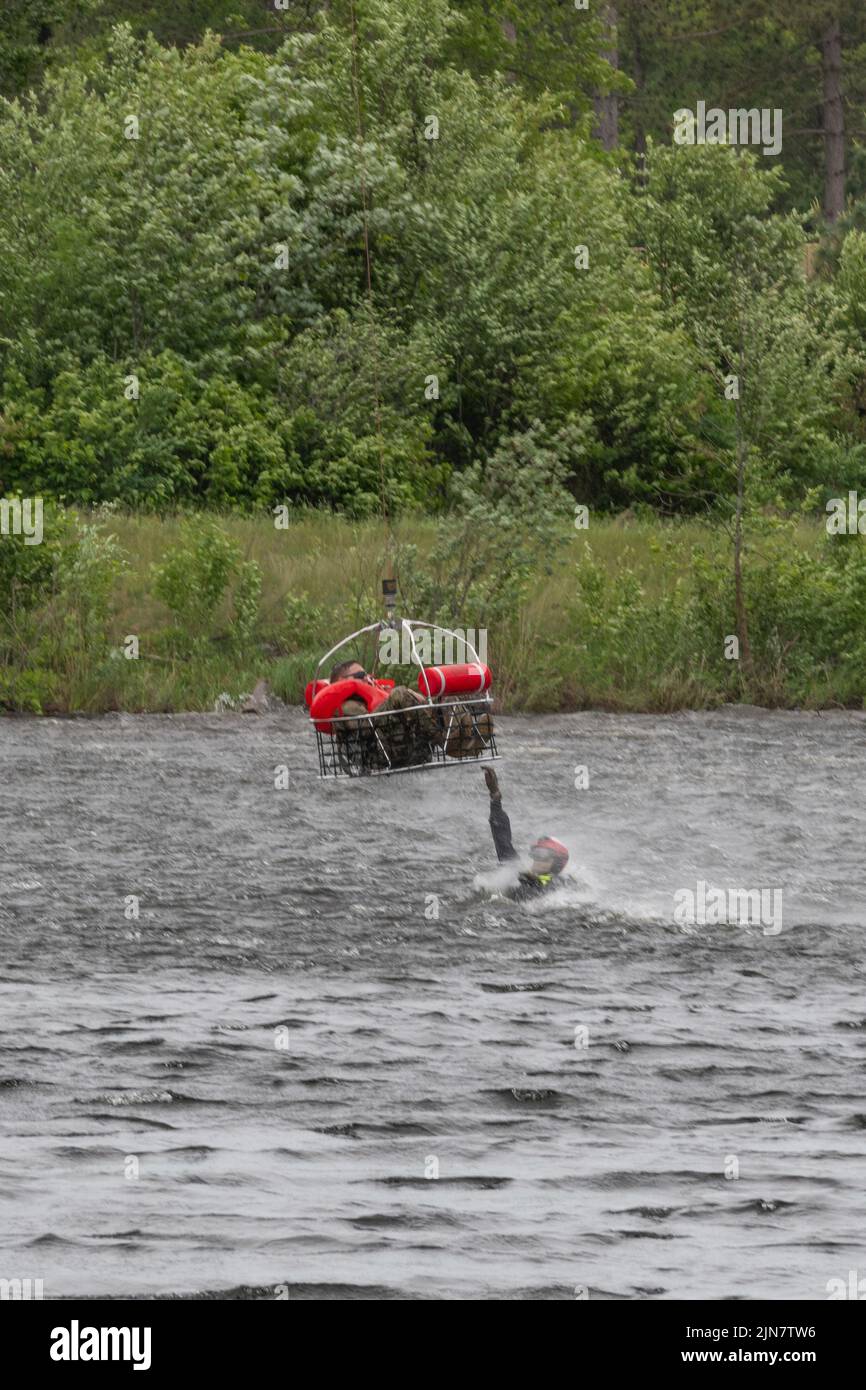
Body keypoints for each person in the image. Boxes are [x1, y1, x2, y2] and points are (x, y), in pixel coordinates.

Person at [329, 659, 441, 769]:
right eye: (360, 675)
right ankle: (438, 736)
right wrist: (391, 699)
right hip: (377, 758)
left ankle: (453, 743)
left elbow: (422, 701)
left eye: (366, 674)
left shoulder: (369, 697)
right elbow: (365, 730)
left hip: (406, 751)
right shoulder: (345, 707)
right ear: (342, 680)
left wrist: (407, 693)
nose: (366, 678)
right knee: (398, 694)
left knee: (443, 698)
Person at [484, 767, 568, 899]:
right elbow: (502, 840)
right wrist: (495, 797)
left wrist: (531, 879)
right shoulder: (519, 873)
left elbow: (547, 887)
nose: (538, 859)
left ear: (557, 863)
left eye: (544, 855)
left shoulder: (562, 884)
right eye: (536, 854)